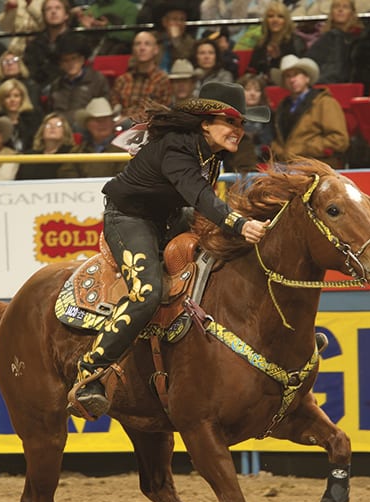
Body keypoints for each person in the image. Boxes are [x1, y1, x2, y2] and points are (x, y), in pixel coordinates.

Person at [70, 81, 271, 419]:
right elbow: (200, 196)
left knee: (232, 255)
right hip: (129, 219)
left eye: (241, 124)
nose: (240, 130)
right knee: (147, 292)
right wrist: (238, 223)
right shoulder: (177, 147)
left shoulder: (212, 154)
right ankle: (91, 370)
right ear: (205, 123)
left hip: (169, 218)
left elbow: (200, 201)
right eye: (231, 121)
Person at [269, 55, 349, 168]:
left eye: (296, 74)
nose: (292, 80)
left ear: (307, 78)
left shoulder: (325, 103)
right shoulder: (283, 106)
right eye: (287, 76)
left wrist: (303, 149)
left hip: (319, 167)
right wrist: (279, 150)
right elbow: (278, 140)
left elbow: (339, 140)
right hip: (288, 167)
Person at [47, 31, 110, 129]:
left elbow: (103, 108)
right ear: (61, 64)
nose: (70, 63)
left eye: (74, 58)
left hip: (87, 128)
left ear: (82, 59)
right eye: (66, 60)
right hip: (60, 128)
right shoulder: (57, 84)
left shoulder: (97, 80)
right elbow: (50, 111)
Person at [110, 31, 172, 122]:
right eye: (138, 44)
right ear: (133, 49)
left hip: (149, 127)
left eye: (147, 44)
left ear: (155, 50)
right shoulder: (122, 80)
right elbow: (114, 108)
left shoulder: (162, 79)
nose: (142, 48)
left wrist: (131, 119)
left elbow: (163, 111)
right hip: (121, 127)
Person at [304, 0, 362, 84]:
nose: (340, 10)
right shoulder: (325, 38)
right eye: (336, 7)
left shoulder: (360, 37)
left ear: (352, 13)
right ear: (331, 13)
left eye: (345, 7)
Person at [226, 72, 274, 172]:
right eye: (247, 90)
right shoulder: (229, 116)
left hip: (263, 160)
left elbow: (269, 143)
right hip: (235, 162)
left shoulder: (271, 116)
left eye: (257, 90)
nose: (253, 94)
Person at [246, 1, 306, 79]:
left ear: (286, 20)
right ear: (266, 20)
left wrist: (277, 58)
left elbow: (297, 72)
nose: (275, 20)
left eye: (280, 16)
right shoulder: (261, 43)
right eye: (271, 16)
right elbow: (252, 69)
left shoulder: (295, 42)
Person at [22, 0, 72, 93]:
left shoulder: (77, 41)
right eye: (48, 9)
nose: (53, 12)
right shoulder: (34, 45)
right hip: (39, 91)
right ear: (44, 15)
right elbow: (30, 73)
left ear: (66, 15)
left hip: (69, 90)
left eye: (58, 8)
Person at [16, 111, 80, 179]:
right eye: (48, 125)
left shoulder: (71, 154)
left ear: (65, 131)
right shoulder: (29, 157)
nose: (52, 127)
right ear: (42, 131)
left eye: (58, 125)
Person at [73, 96, 127, 177]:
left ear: (112, 123)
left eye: (105, 119)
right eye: (97, 120)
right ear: (87, 125)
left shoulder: (125, 149)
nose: (101, 124)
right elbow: (67, 173)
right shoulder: (77, 151)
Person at [0, 77, 44, 152]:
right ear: (1, 100)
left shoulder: (34, 119)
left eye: (16, 96)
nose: (12, 100)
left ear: (22, 98)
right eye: (7, 96)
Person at [73, 0, 139, 56]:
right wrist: (87, 30)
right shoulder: (90, 11)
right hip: (91, 56)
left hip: (119, 56)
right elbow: (78, 42)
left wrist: (106, 28)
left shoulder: (129, 7)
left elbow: (130, 37)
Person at [152, 2, 194, 73]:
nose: (179, 23)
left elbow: (184, 62)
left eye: (182, 20)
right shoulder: (151, 38)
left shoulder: (189, 41)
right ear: (164, 22)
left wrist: (176, 41)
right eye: (175, 19)